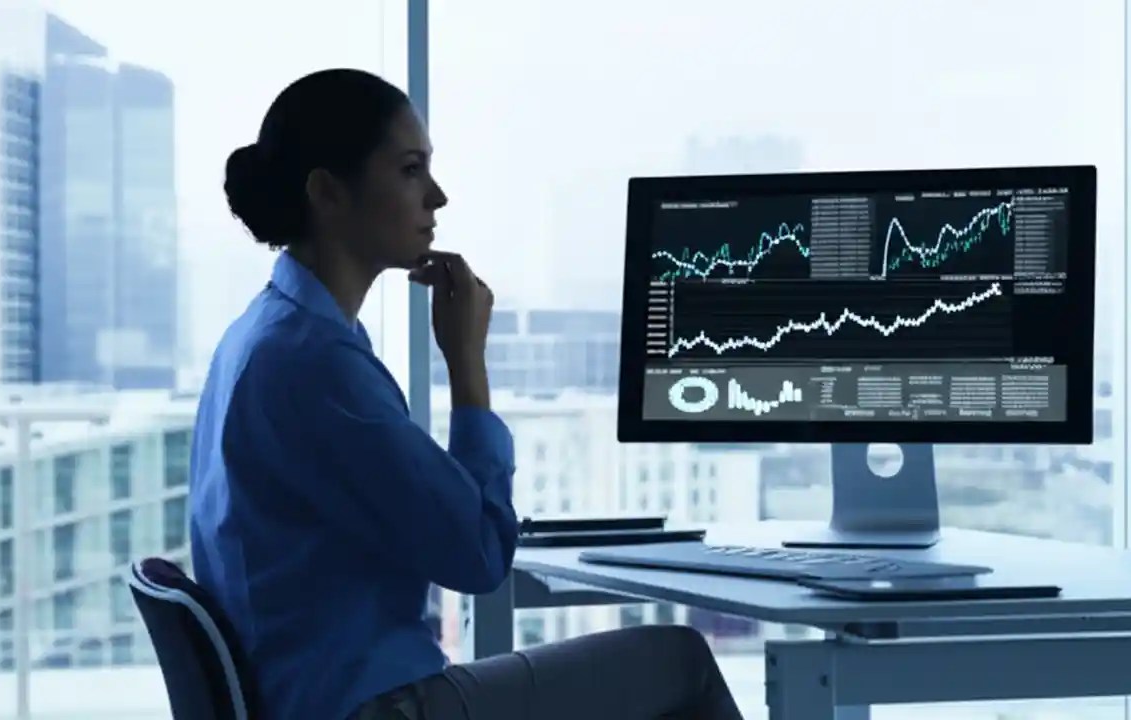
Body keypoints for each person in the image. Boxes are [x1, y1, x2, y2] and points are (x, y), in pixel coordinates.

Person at [187, 68, 745, 720]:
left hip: (315, 698)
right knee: (681, 662)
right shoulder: (314, 361)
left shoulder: (263, 334)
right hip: (373, 707)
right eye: (410, 170)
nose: (438, 197)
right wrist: (467, 365)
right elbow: (478, 554)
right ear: (328, 193)